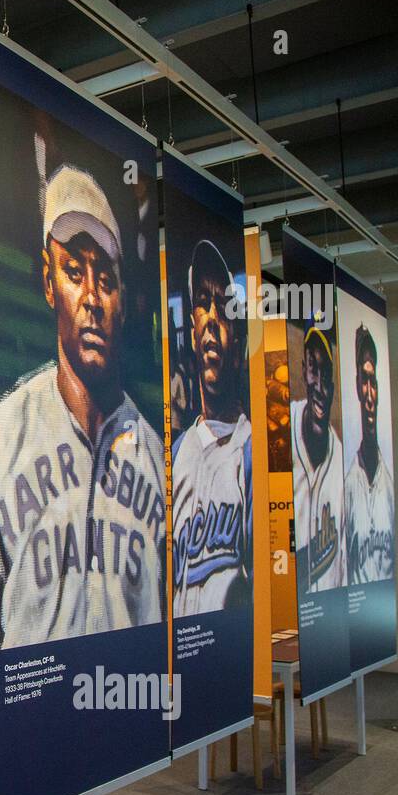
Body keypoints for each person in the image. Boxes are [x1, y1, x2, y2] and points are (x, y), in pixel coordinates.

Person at [0, 164, 165, 648]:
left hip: (129, 702)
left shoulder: (154, 454)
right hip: (37, 700)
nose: (91, 297)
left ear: (123, 301)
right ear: (49, 284)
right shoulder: (7, 432)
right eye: (74, 272)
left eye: (105, 279)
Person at [171, 239, 251, 616]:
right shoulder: (175, 454)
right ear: (192, 327)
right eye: (203, 302)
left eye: (224, 307)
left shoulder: (249, 451)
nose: (212, 319)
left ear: (237, 340)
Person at [291, 325, 344, 592]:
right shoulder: (280, 432)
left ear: (334, 385)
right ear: (303, 372)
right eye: (314, 368)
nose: (320, 386)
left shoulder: (340, 459)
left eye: (326, 373)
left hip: (328, 621)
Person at [343, 325, 394, 583]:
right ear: (357, 386)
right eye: (365, 381)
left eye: (373, 382)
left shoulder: (392, 486)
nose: (370, 396)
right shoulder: (348, 486)